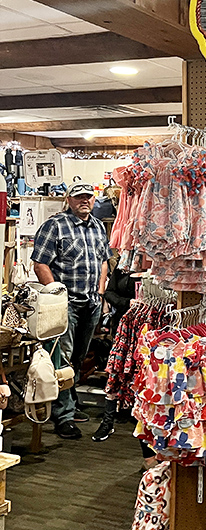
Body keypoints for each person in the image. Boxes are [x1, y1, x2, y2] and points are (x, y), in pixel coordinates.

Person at [31, 180, 112, 439]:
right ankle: (63, 415)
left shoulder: (99, 227)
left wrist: (100, 292)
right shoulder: (55, 226)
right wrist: (57, 294)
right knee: (62, 358)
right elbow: (40, 264)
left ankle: (70, 402)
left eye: (88, 197)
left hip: (91, 302)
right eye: (78, 197)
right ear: (69, 200)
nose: (84, 201)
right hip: (67, 303)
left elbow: (103, 262)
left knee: (77, 358)